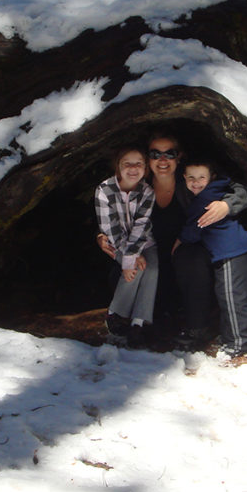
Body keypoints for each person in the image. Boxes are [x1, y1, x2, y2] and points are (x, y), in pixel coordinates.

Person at [174, 158, 247, 358]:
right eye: (191, 178)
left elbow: (196, 226)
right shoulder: (213, 190)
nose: (196, 182)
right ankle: (231, 337)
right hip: (225, 250)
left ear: (211, 177)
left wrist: (179, 241)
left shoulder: (207, 197)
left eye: (201, 177)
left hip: (232, 251)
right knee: (226, 294)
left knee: (233, 296)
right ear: (184, 178)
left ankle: (241, 343)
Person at [93, 146, 159, 348]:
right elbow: (110, 228)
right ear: (118, 167)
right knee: (136, 268)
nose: (133, 168)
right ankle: (115, 315)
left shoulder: (147, 191)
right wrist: (129, 259)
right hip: (116, 242)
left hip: (144, 241)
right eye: (126, 164)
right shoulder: (104, 190)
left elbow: (141, 225)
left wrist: (134, 255)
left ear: (145, 168)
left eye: (138, 164)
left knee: (153, 267)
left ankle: (138, 323)